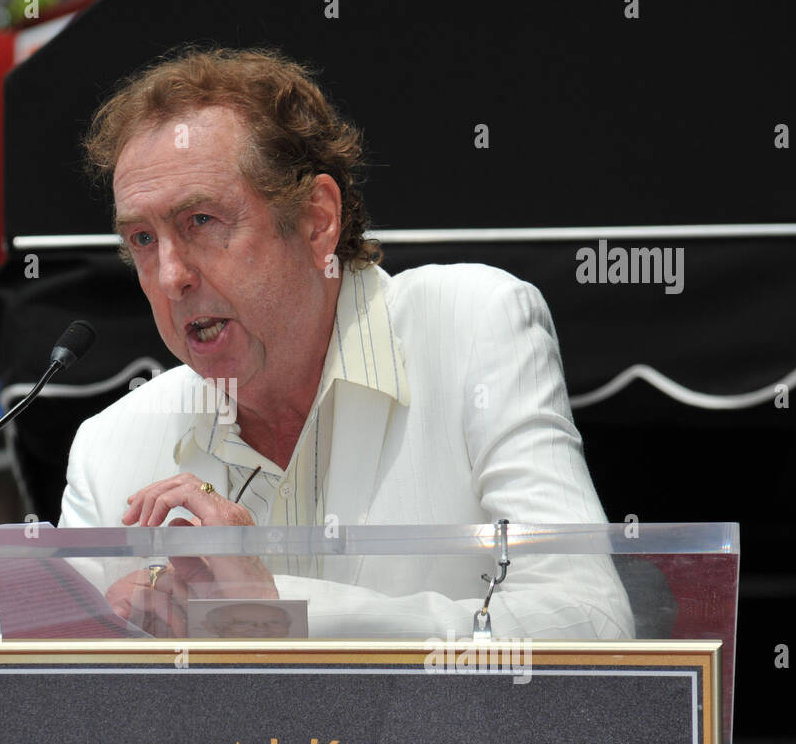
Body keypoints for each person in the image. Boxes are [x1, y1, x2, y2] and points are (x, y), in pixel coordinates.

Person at [59, 47, 633, 641]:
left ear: (316, 220)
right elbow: (51, 704)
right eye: (144, 239)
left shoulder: (472, 328)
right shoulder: (109, 447)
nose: (171, 275)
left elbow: (591, 625)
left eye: (201, 221)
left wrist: (272, 606)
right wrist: (123, 647)